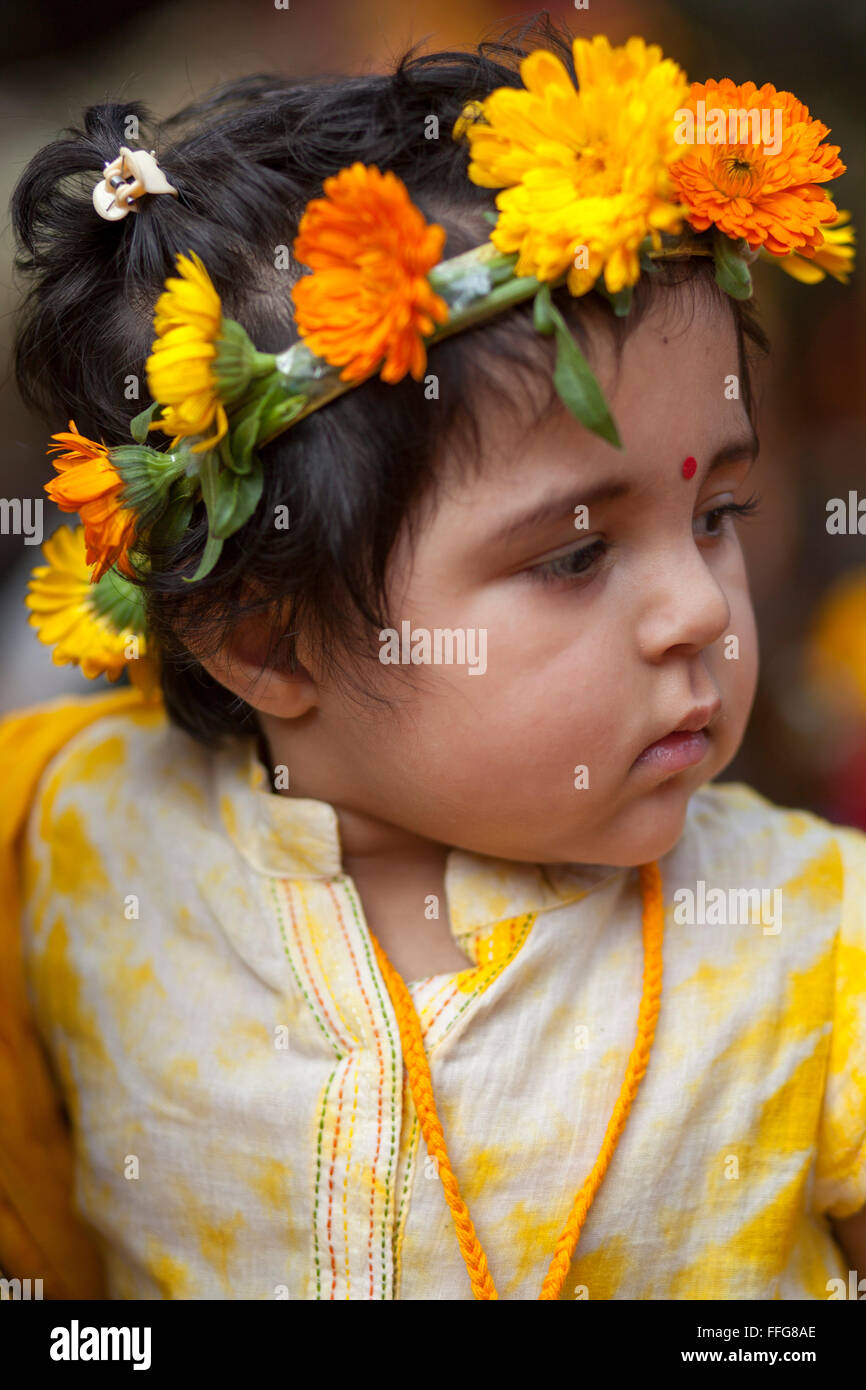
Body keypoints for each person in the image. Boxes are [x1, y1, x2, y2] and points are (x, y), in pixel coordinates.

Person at [1, 15, 864, 1300]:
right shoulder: (65, 850)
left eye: (716, 517)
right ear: (258, 633)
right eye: (574, 554)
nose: (697, 608)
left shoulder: (821, 950)